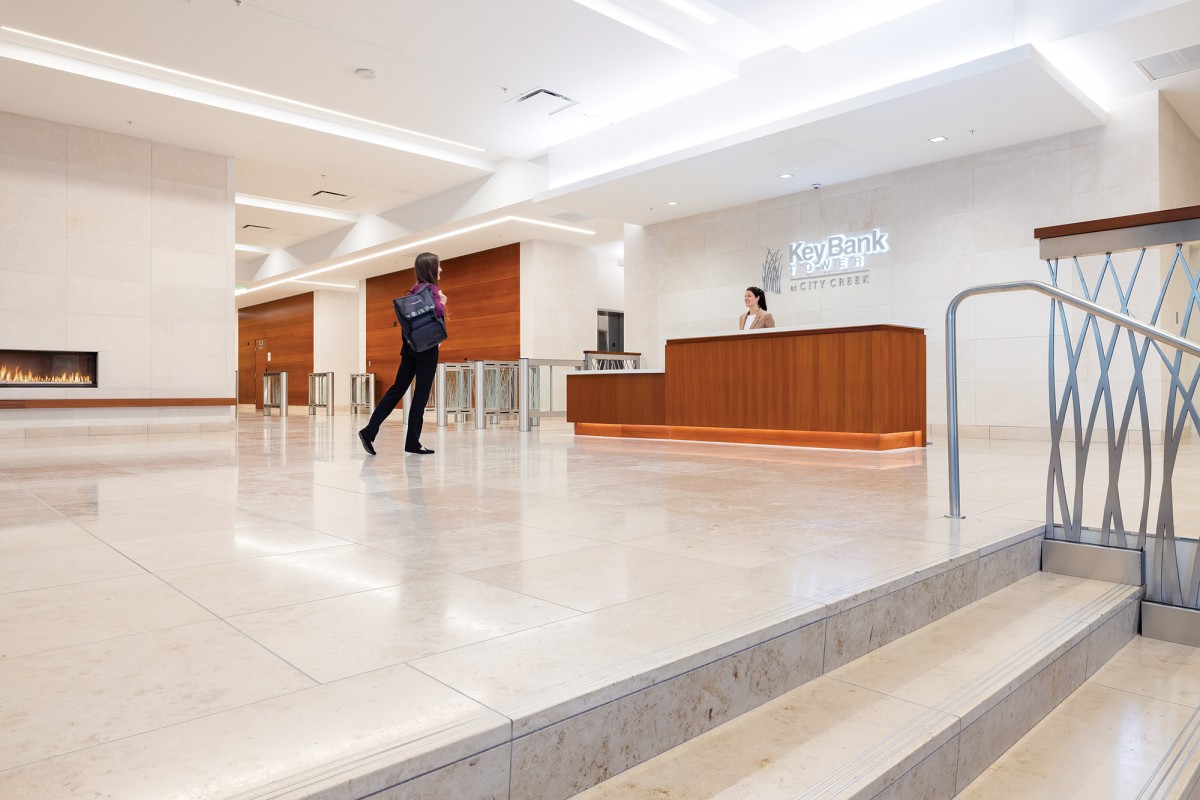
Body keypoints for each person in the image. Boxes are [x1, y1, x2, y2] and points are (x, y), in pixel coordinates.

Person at [358, 252, 446, 456]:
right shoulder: (432, 289)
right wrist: (443, 301)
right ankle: (413, 442)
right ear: (431, 268)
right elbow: (437, 312)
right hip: (427, 349)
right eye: (439, 266)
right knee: (421, 395)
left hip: (409, 348)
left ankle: (369, 431)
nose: (441, 270)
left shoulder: (412, 290)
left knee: (397, 389)